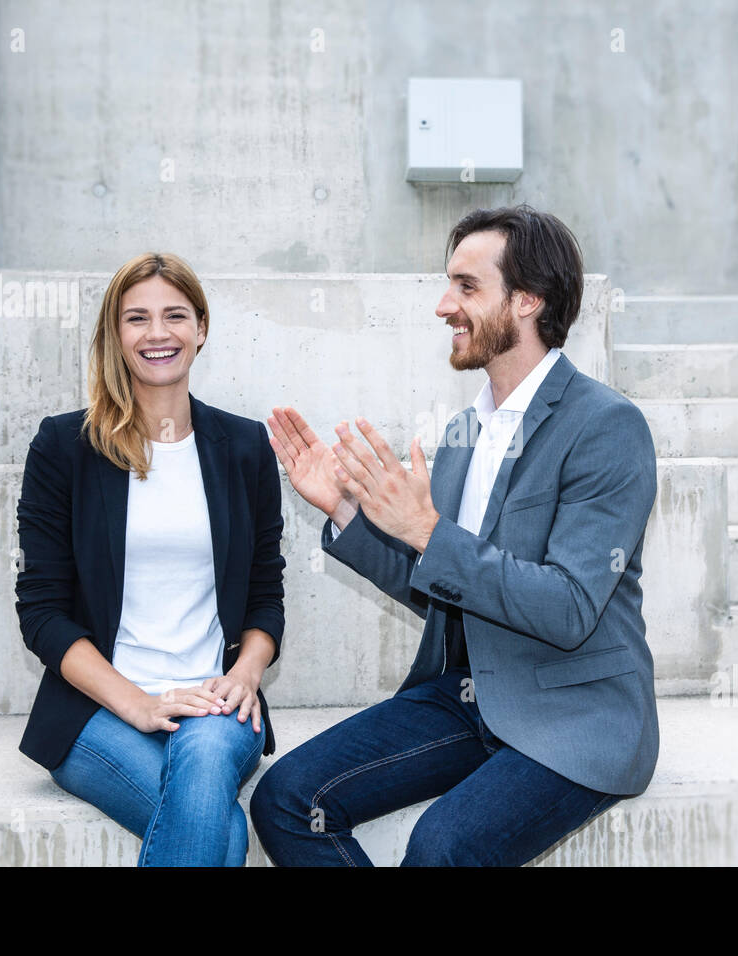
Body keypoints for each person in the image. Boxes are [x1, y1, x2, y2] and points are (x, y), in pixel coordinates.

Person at [251, 204, 659, 866]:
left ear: (528, 300)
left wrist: (426, 529)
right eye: (449, 285)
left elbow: (570, 609)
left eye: (467, 286)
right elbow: (444, 588)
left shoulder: (607, 427)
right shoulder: (463, 436)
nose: (445, 305)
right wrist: (346, 513)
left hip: (574, 713)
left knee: (441, 845)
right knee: (288, 799)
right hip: (471, 695)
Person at [14, 252, 286, 866]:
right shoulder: (65, 447)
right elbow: (42, 614)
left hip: (216, 699)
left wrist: (245, 674)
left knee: (210, 758)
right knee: (226, 835)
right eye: (137, 318)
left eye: (175, 316)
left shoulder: (244, 447)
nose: (157, 333)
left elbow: (266, 591)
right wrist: (137, 703)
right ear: (115, 334)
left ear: (201, 327)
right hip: (100, 707)